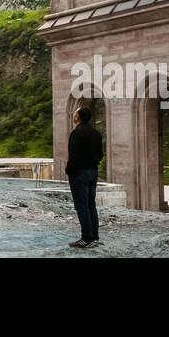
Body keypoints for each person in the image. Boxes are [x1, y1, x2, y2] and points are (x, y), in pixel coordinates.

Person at [65, 106, 103, 249]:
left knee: (82, 206)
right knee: (91, 205)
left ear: (78, 117)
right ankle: (94, 237)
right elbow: (100, 154)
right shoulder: (96, 133)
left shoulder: (77, 133)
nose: (74, 114)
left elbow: (74, 155)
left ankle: (86, 238)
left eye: (76, 112)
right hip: (93, 172)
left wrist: (69, 171)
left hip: (79, 173)